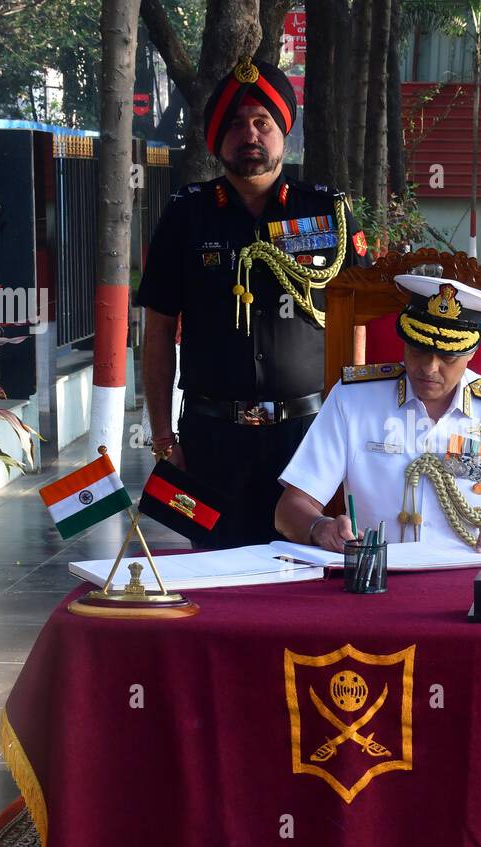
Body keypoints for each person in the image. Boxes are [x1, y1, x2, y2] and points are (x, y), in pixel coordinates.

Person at [135, 55, 369, 548]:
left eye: (263, 122)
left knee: (309, 577)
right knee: (216, 578)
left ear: (284, 131)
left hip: (308, 439)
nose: (251, 135)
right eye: (237, 123)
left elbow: (357, 325)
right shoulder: (187, 216)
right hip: (210, 440)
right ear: (218, 137)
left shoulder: (327, 212)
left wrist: (353, 433)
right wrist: (163, 442)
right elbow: (157, 333)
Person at [276, 275, 481, 553]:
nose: (429, 368)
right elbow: (289, 509)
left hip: (471, 578)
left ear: (471, 352)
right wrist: (320, 527)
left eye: (447, 357)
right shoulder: (354, 399)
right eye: (417, 351)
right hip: (377, 573)